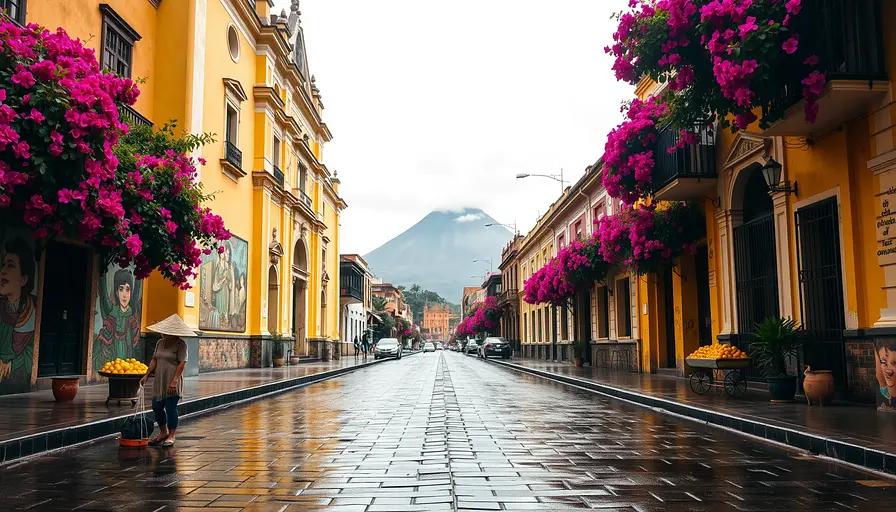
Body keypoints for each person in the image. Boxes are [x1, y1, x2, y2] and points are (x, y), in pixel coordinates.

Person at [140, 314, 192, 447]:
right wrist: (146, 374)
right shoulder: (160, 343)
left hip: (172, 380)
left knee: (170, 408)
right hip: (160, 380)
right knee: (156, 406)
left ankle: (172, 435)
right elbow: (154, 359)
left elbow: (182, 363)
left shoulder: (181, 345)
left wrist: (174, 381)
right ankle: (163, 432)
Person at [0, 237, 36, 385]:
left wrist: (11, 363)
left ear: (23, 279)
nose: (3, 271)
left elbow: (28, 353)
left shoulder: (31, 312)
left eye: (10, 266)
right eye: (3, 265)